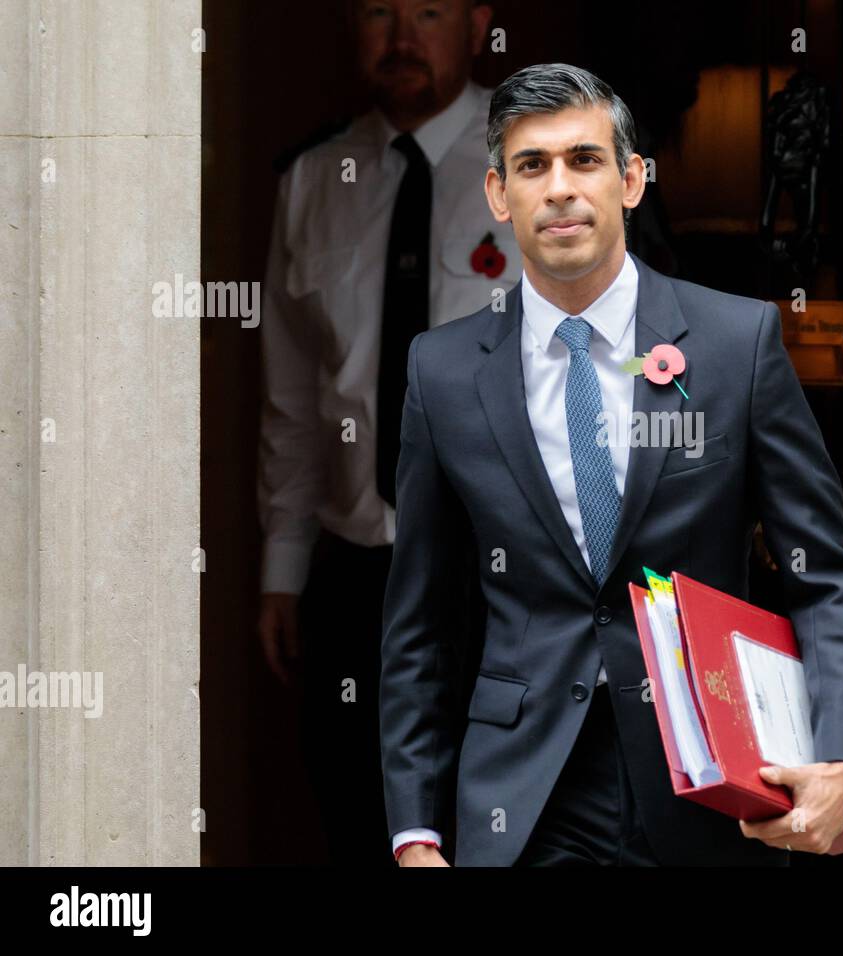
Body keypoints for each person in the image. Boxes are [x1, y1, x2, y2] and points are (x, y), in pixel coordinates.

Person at [382, 62, 843, 867]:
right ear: (496, 194)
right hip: (525, 803)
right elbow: (420, 623)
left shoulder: (736, 345)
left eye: (584, 160)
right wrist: (415, 835)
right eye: (531, 165)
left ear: (632, 179)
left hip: (716, 792)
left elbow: (826, 574)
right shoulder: (441, 374)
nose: (558, 189)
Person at [256, 0, 505, 864]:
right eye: (378, 13)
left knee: (499, 824)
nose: (402, 37)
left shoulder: (541, 161)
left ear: (478, 25)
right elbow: (291, 398)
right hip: (358, 575)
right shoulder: (313, 180)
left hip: (500, 576)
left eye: (429, 11)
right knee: (359, 820)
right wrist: (283, 569)